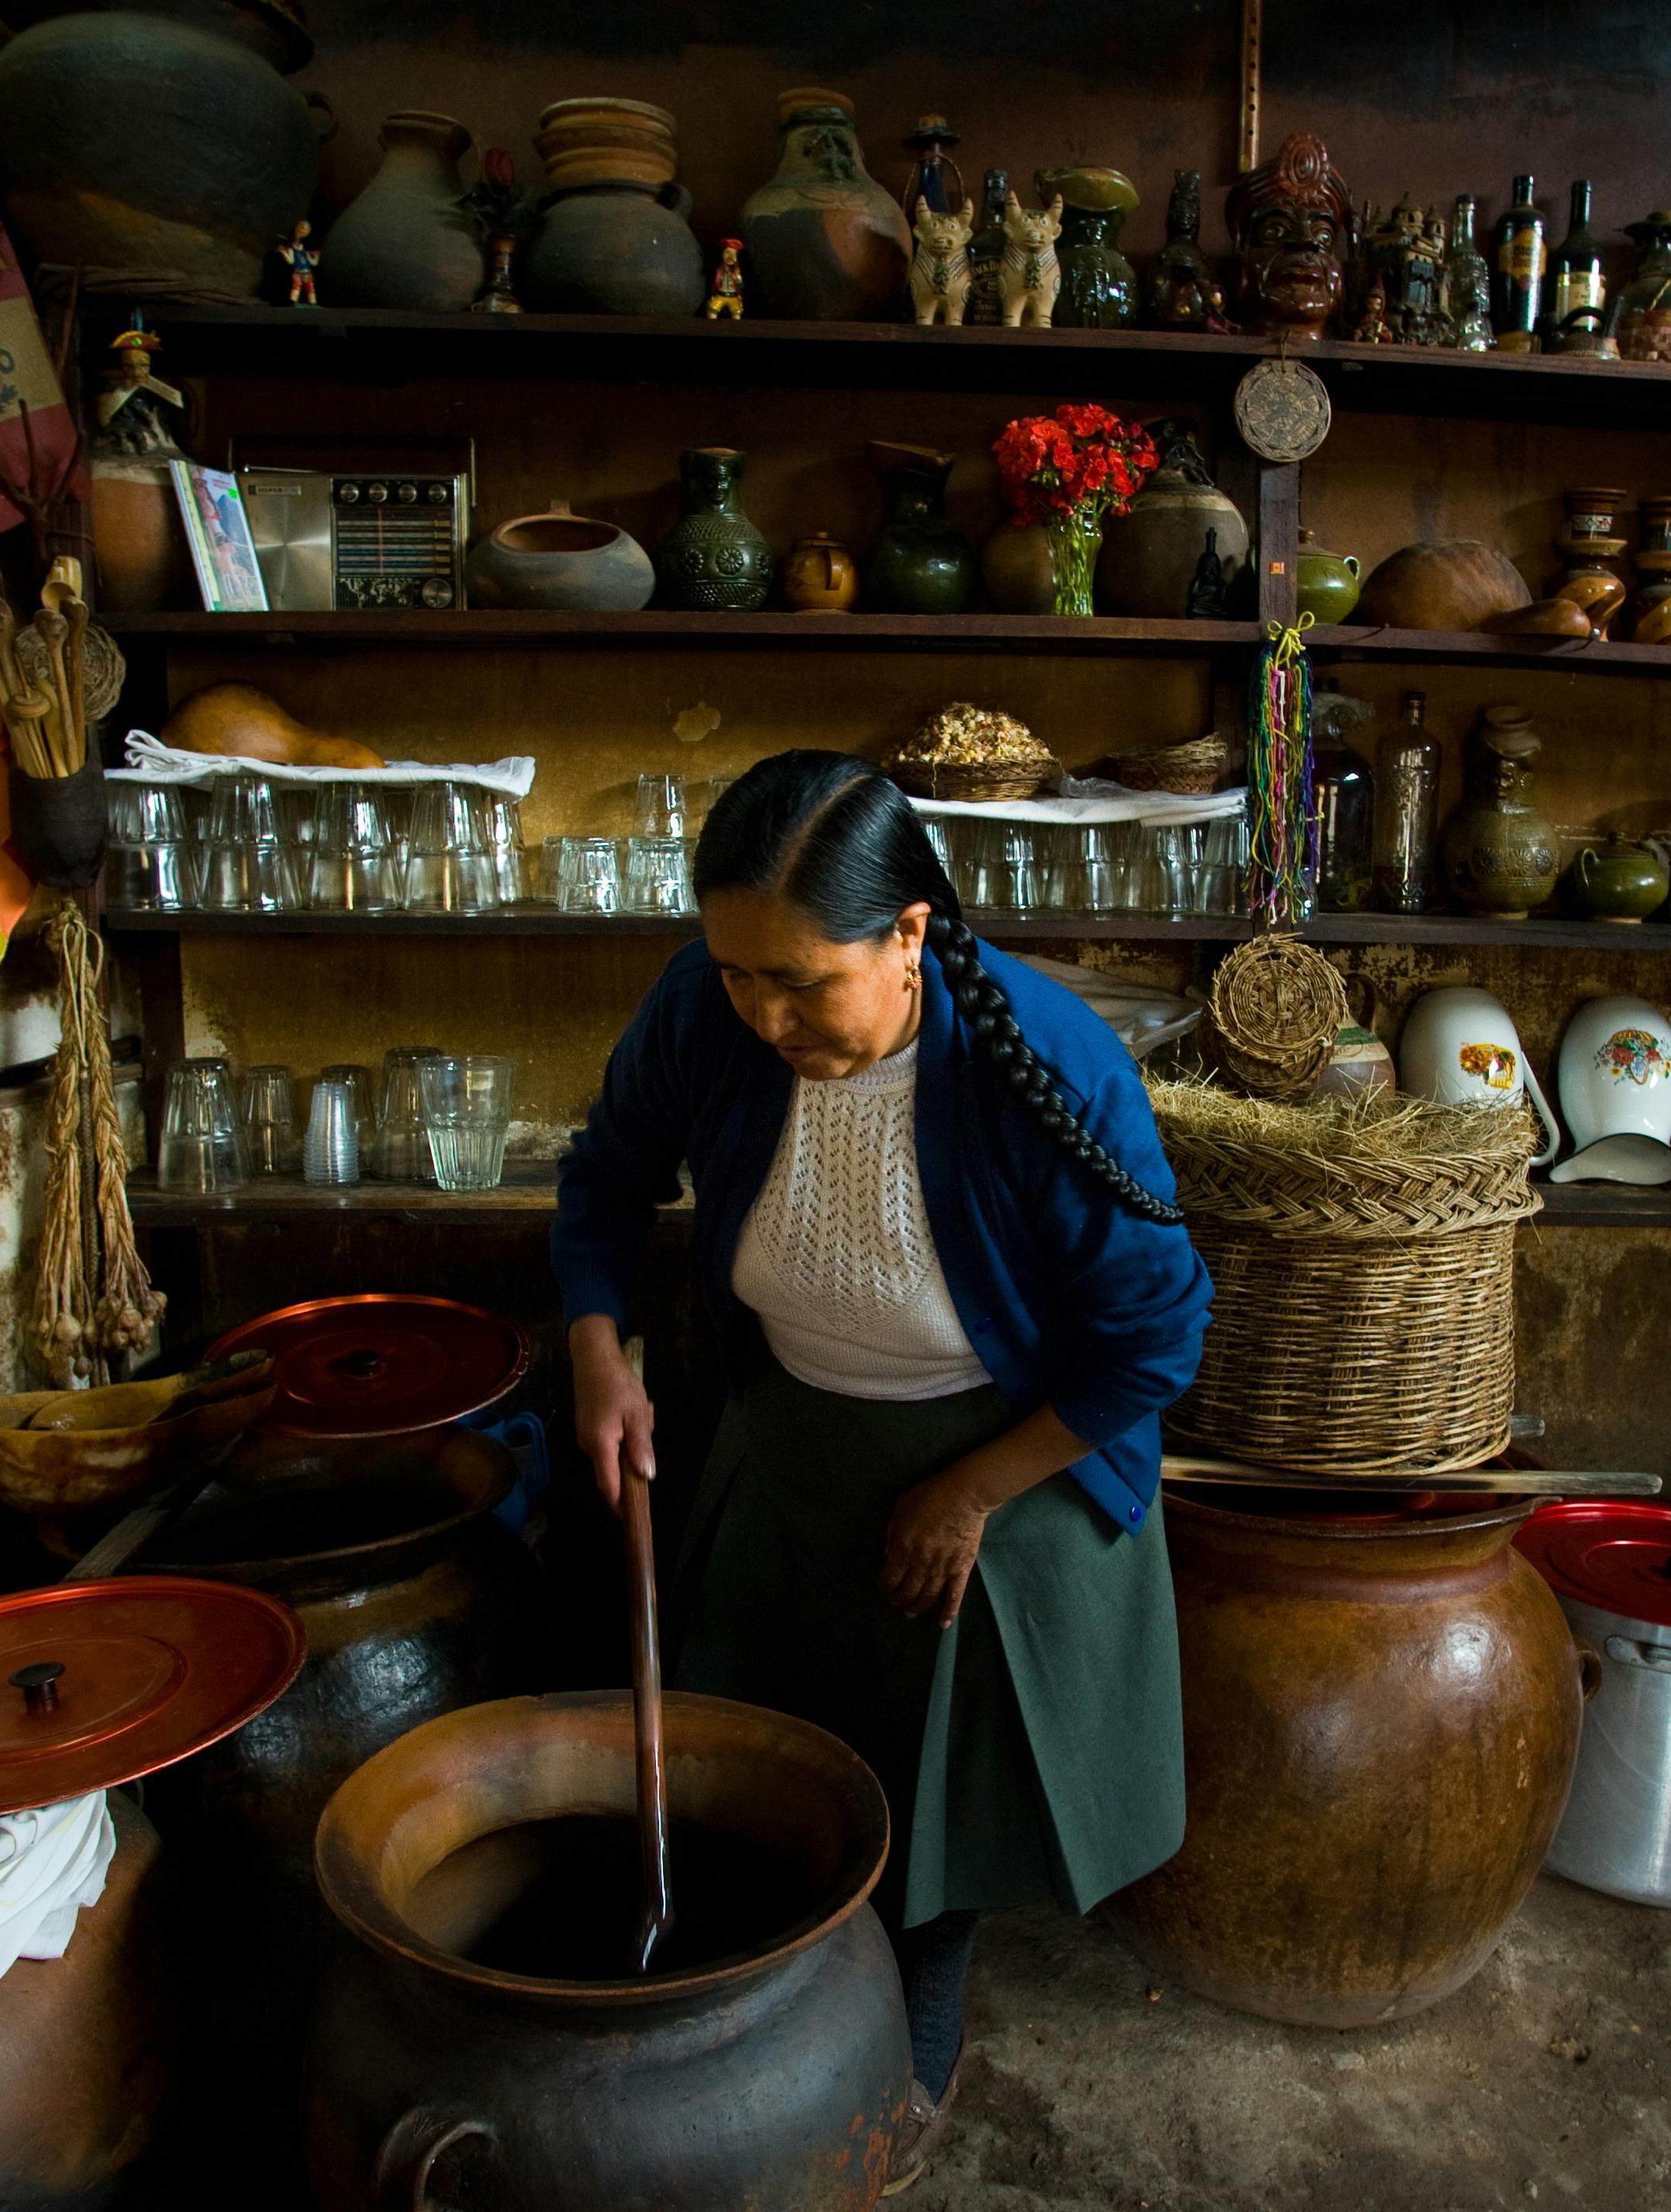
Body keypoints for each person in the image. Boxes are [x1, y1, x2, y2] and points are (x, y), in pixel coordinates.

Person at [553, 752, 1210, 2197]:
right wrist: (600, 1351)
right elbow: (605, 1177)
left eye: (800, 981)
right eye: (734, 973)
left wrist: (974, 1489)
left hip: (1017, 1461)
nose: (762, 1015)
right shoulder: (707, 1011)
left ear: (910, 932)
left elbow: (1157, 1334)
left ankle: (910, 2041)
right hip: (792, 1443)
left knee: (930, 1822)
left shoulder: (1040, 1065)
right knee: (765, 1783)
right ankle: (764, 2017)